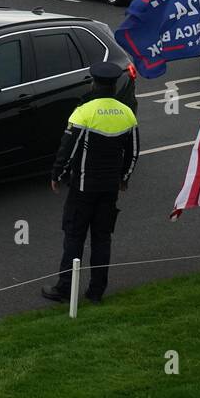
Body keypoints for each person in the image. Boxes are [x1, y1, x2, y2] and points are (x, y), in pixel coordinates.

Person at [42, 61, 139, 303]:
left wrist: (57, 174)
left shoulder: (84, 112)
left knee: (74, 237)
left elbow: (68, 148)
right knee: (102, 239)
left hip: (83, 188)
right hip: (109, 189)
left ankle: (65, 288)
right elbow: (133, 151)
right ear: (114, 86)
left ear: (94, 84)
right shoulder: (127, 113)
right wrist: (124, 178)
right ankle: (96, 292)